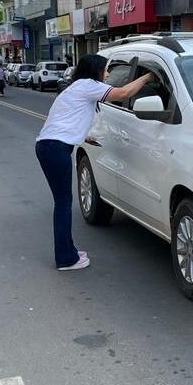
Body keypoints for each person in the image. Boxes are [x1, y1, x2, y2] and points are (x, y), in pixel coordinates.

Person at [35, 54, 156, 270]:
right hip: (55, 149)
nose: (107, 74)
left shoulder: (76, 87)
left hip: (49, 146)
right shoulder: (88, 85)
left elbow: (66, 120)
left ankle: (68, 251)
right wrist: (147, 77)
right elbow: (124, 93)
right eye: (105, 70)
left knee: (62, 203)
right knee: (63, 204)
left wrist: (83, 136)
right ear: (95, 70)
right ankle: (65, 258)